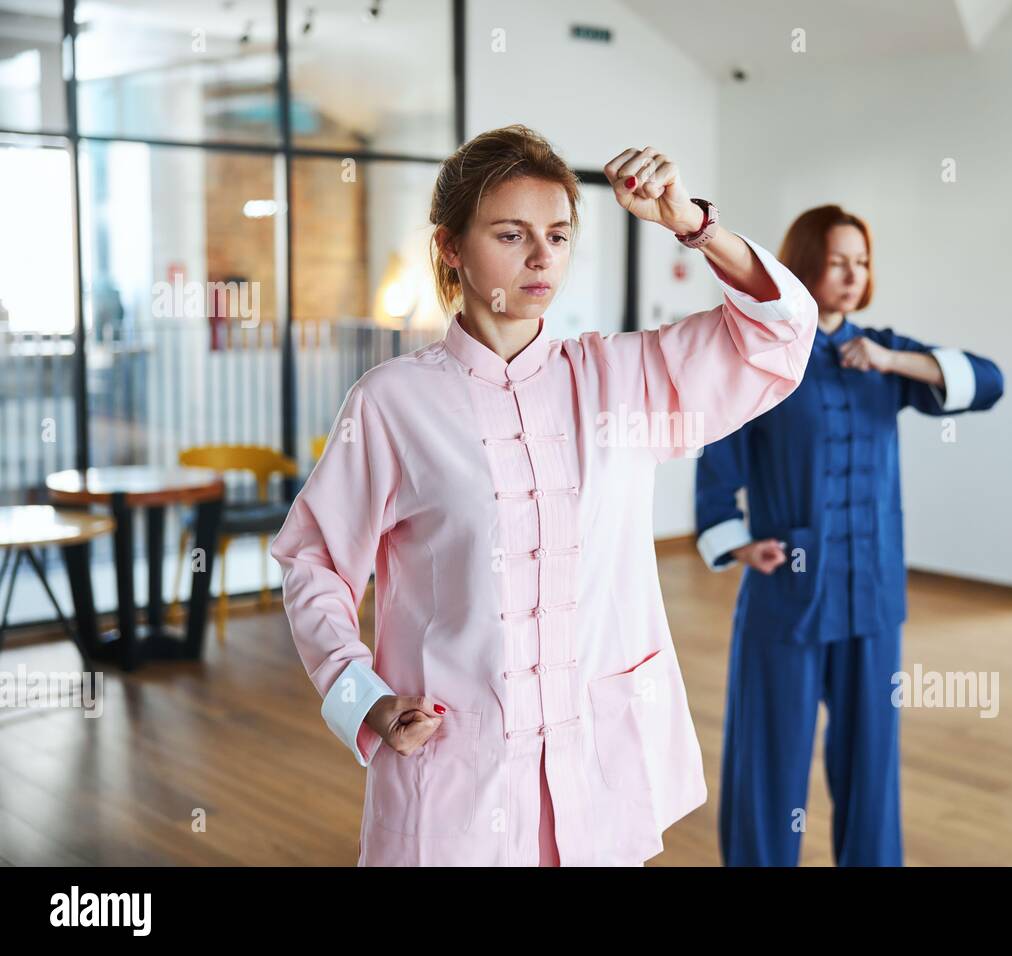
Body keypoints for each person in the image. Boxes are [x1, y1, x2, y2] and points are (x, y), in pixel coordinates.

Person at [270, 125, 819, 866]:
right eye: (511, 233)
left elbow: (782, 335)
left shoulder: (623, 379)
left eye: (558, 235)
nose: (541, 258)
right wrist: (360, 696)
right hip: (456, 768)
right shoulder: (390, 404)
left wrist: (692, 222)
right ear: (450, 248)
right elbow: (314, 561)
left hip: (597, 763)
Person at [694, 205, 1004, 866]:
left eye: (861, 262)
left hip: (873, 598)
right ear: (805, 261)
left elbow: (990, 384)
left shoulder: (884, 355)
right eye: (838, 260)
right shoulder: (765, 353)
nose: (852, 274)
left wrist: (894, 360)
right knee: (771, 759)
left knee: (871, 765)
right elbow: (716, 455)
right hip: (790, 592)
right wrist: (736, 540)